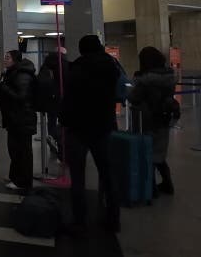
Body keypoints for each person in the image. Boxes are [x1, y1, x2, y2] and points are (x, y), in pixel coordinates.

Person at [61, 35, 121, 233]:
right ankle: (113, 219)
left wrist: (64, 120)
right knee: (108, 174)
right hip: (103, 126)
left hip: (79, 128)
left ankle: (80, 221)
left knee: (78, 177)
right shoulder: (112, 66)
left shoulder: (78, 68)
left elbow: (69, 98)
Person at [128, 46, 177, 197]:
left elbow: (134, 97)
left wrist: (135, 82)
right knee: (159, 155)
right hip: (164, 119)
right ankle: (167, 184)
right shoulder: (169, 77)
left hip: (147, 120)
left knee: (147, 155)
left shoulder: (145, 80)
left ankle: (151, 189)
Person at [0, 50, 37, 192]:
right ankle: (15, 176)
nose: (5, 60)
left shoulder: (22, 75)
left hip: (22, 119)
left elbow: (20, 97)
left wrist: (3, 87)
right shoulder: (10, 74)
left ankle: (23, 181)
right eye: (5, 57)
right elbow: (7, 95)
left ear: (15, 60)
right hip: (14, 118)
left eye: (8, 58)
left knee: (22, 152)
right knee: (14, 150)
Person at [37, 49, 70, 159]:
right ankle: (60, 145)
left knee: (52, 121)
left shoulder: (46, 65)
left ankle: (52, 138)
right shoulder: (64, 65)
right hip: (62, 99)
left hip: (50, 100)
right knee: (63, 124)